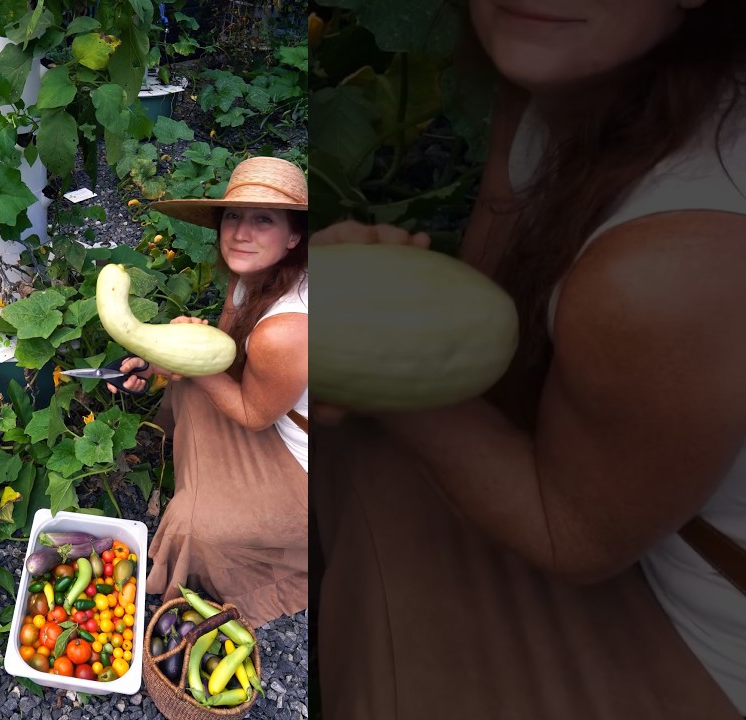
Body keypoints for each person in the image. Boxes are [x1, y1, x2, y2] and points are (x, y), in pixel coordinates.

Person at [309, 0, 746, 718]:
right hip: (636, 524)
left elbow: (569, 534)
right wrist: (375, 290)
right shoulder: (566, 78)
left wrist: (347, 354)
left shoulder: (674, 265)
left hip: (708, 651)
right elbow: (495, 333)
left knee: (370, 488)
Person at [106, 155, 309, 627]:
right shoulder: (252, 275)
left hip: (303, 464)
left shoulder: (287, 329)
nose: (241, 232)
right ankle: (183, 463)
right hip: (268, 406)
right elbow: (223, 355)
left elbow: (254, 413)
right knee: (188, 389)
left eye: (264, 220)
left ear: (294, 235)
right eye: (234, 216)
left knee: (201, 526)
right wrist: (167, 356)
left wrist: (181, 363)